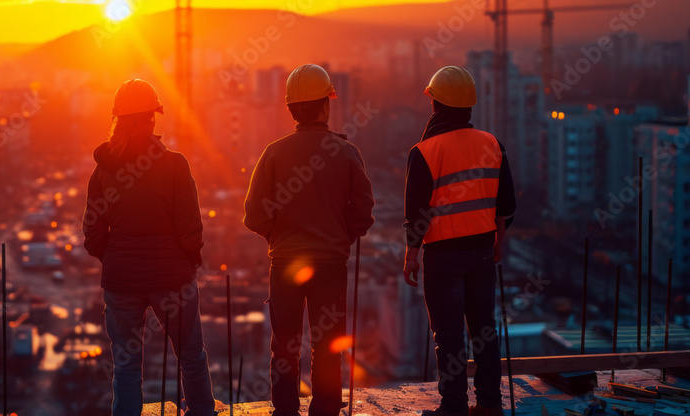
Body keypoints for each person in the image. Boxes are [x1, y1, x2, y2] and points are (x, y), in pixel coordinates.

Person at [243, 64, 375, 416]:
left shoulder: (273, 153)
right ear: (325, 105)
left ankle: (285, 409)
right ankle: (326, 408)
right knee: (328, 344)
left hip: (285, 263)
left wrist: (280, 236)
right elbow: (364, 212)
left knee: (284, 345)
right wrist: (339, 238)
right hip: (331, 264)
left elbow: (254, 215)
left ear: (291, 109)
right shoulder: (346, 153)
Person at [82, 78, 218, 416]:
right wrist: (188, 264)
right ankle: (202, 411)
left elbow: (92, 233)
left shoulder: (103, 172)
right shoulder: (174, 165)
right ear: (151, 118)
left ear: (117, 119)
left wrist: (115, 257)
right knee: (190, 354)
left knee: (127, 364)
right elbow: (191, 228)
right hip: (172, 278)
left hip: (122, 280)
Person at [402, 66, 516, 416]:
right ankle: (490, 405)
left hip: (443, 257)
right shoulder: (491, 143)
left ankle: (453, 407)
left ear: (436, 104)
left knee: (449, 336)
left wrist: (410, 256)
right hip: (482, 253)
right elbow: (506, 202)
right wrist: (499, 240)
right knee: (484, 331)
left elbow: (417, 214)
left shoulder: (425, 151)